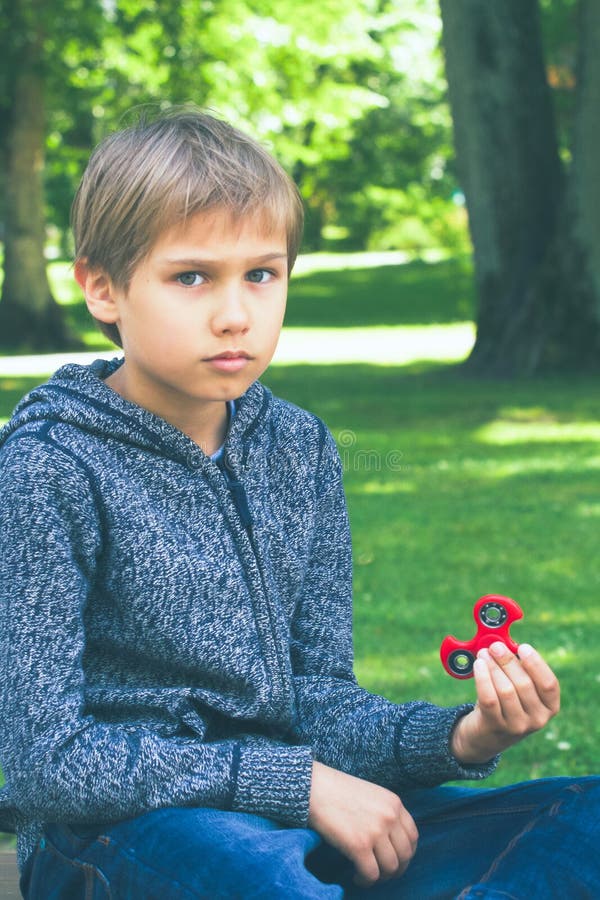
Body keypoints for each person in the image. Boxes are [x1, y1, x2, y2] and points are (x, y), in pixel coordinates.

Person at [0, 108, 597, 900]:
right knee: (260, 879)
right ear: (102, 288)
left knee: (583, 821)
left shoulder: (300, 448)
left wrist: (463, 734)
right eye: (192, 277)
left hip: (299, 811)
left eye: (262, 273)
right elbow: (47, 765)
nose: (236, 314)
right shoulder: (47, 469)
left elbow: (319, 702)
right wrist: (300, 785)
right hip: (120, 836)